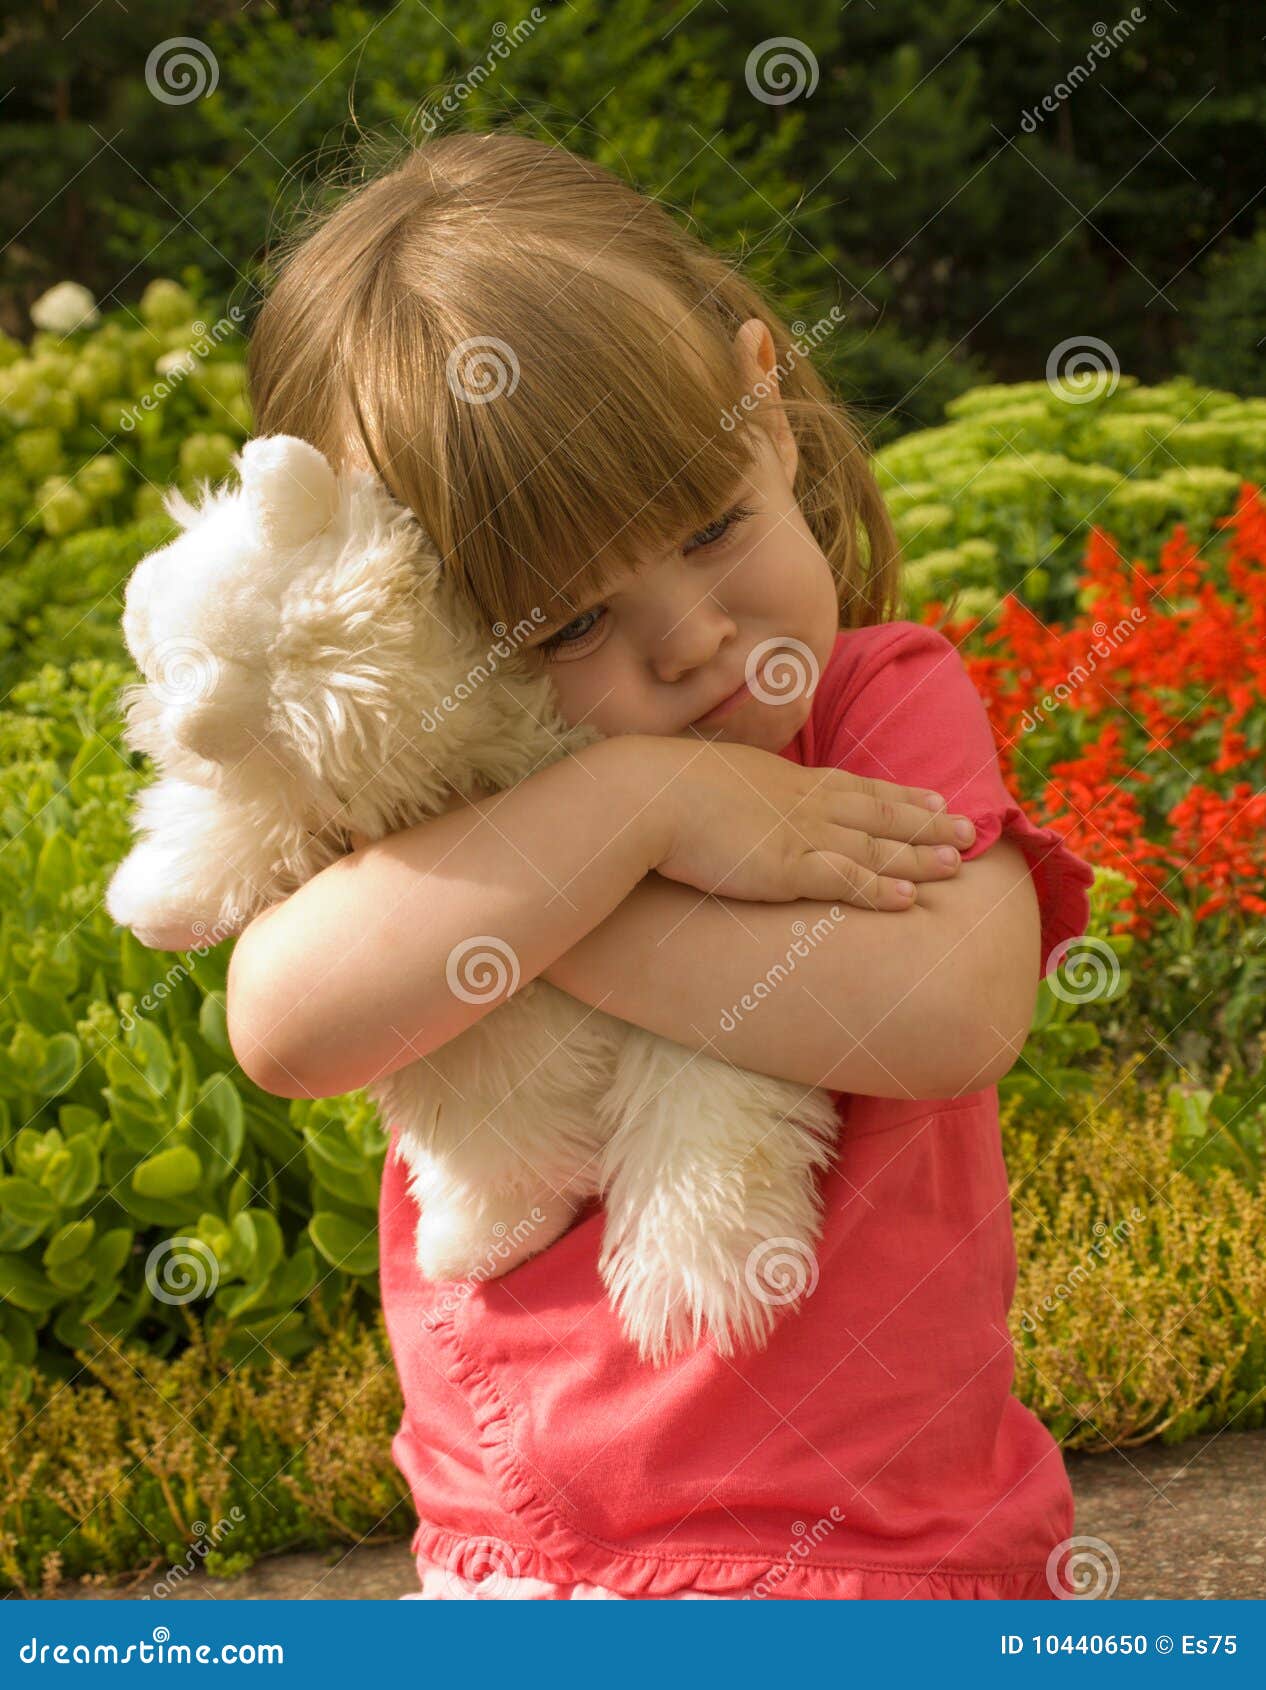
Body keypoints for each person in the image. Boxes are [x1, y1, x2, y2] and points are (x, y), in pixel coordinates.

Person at [227, 129, 1096, 1600]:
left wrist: (554, 906)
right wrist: (640, 804)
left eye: (710, 526)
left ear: (767, 403)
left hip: (884, 1560)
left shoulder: (875, 704)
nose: (691, 638)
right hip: (525, 1557)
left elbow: (953, 1010)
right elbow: (282, 1025)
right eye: (567, 624)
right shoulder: (449, 798)